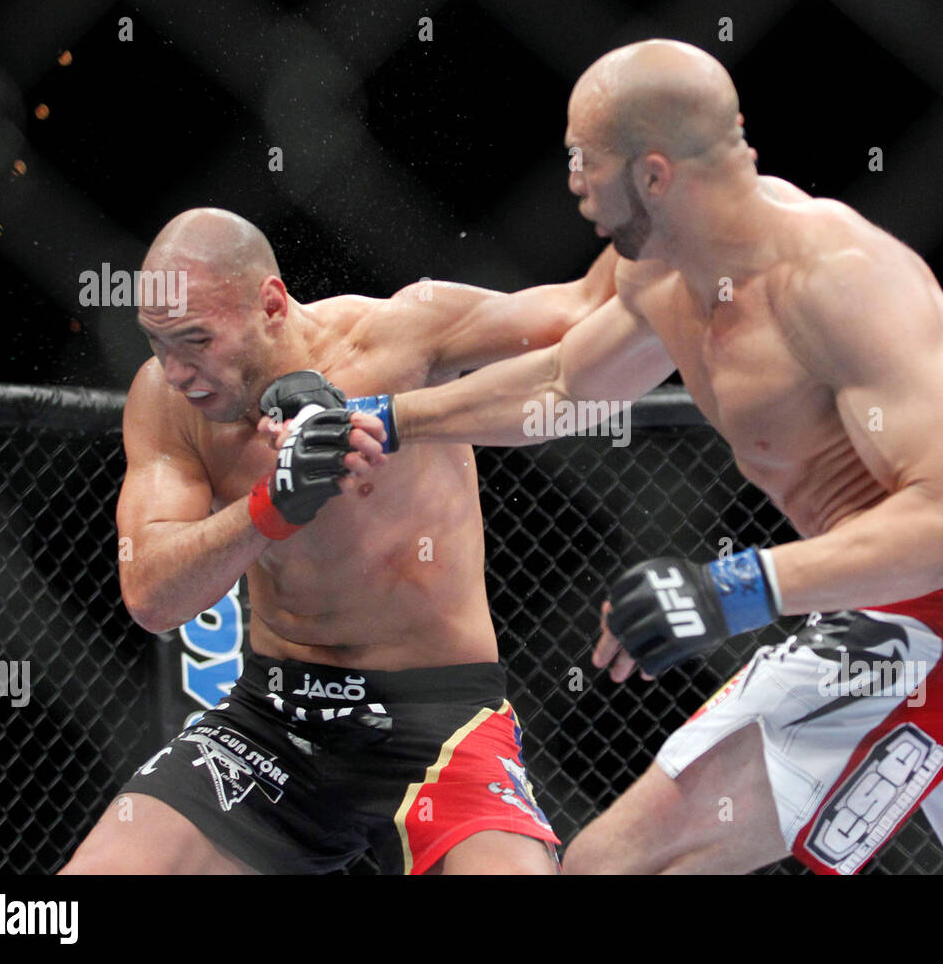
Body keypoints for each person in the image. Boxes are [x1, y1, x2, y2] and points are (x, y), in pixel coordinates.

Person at [328, 40, 943, 875]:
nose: (573, 183)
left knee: (615, 865)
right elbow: (562, 386)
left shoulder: (838, 281)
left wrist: (729, 590)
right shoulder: (665, 273)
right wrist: (387, 419)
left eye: (583, 159)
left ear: (653, 174)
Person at [59, 207, 618, 874]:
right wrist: (274, 506)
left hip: (438, 724)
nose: (176, 370)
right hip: (272, 723)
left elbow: (590, 306)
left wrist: (670, 211)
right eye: (157, 343)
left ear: (270, 304)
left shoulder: (403, 335)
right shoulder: (165, 402)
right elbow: (152, 593)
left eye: (195, 339)